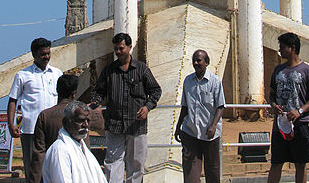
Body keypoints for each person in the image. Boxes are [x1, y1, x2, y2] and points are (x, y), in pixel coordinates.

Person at [90, 32, 162, 183]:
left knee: (136, 164)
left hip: (136, 125)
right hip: (115, 125)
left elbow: (156, 90)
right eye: (116, 49)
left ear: (129, 47)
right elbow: (99, 91)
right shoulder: (109, 71)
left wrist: (147, 107)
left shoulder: (141, 69)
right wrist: (95, 102)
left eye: (121, 48)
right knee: (113, 162)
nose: (118, 52)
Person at [267, 33, 309, 183]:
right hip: (280, 126)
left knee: (300, 164)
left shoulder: (307, 70)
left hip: (300, 124)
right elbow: (271, 94)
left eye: (282, 47)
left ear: (292, 48)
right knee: (276, 163)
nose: (280, 51)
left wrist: (300, 111)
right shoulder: (278, 70)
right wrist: (273, 105)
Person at [7, 38, 62, 180]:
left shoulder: (57, 74)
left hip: (54, 129)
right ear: (34, 55)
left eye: (48, 53)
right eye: (43, 54)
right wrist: (11, 124)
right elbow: (13, 100)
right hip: (31, 129)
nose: (46, 57)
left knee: (55, 166)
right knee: (33, 168)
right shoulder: (23, 75)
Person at [174, 49, 225, 183]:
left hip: (209, 134)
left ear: (206, 62)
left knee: (212, 170)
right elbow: (185, 106)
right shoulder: (188, 81)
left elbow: (220, 106)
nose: (196, 63)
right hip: (190, 132)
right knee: (190, 172)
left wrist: (213, 126)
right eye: (194, 61)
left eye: (199, 60)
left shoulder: (215, 81)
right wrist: (178, 126)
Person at [29, 74, 79, 183]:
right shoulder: (80, 117)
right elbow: (85, 150)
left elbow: (38, 153)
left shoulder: (45, 116)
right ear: (74, 93)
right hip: (75, 172)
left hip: (51, 171)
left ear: (57, 90)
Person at [42, 100, 107, 183]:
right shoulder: (60, 150)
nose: (86, 125)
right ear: (66, 122)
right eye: (81, 120)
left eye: (88, 120)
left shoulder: (82, 148)